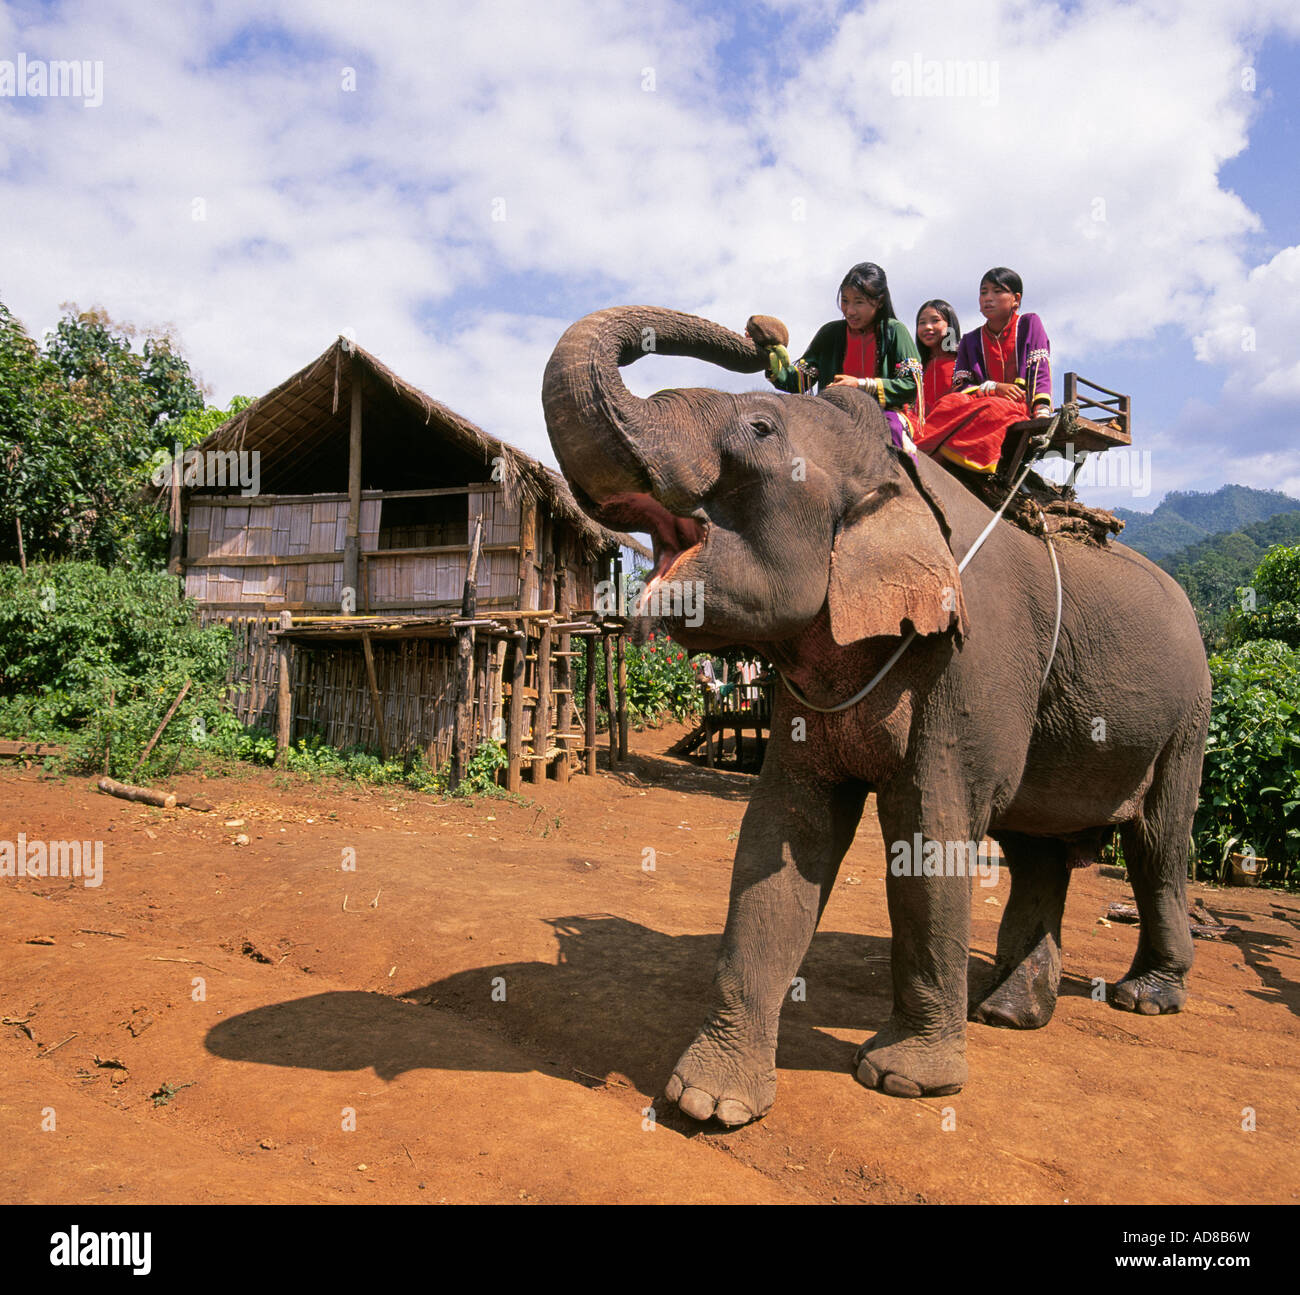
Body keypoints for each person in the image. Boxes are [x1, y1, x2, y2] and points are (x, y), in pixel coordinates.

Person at [749, 262, 922, 455]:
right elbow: (798, 380)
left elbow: (911, 386)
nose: (849, 311)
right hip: (830, 416)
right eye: (845, 301)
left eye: (859, 302)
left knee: (893, 435)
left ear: (879, 301)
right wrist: (769, 355)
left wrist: (861, 385)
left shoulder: (895, 331)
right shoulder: (830, 333)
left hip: (883, 416)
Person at [913, 267, 1051, 474]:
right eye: (984, 292)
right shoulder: (970, 339)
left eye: (997, 291)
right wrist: (994, 387)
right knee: (950, 401)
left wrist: (1041, 411)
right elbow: (960, 386)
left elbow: (1039, 367)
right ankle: (922, 448)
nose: (988, 298)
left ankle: (935, 461)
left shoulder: (1029, 323)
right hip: (979, 399)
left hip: (1017, 404)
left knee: (992, 407)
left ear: (1015, 298)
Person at [908, 299, 961, 429]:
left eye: (935, 320)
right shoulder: (917, 368)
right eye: (922, 323)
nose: (928, 327)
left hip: (954, 426)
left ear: (950, 324)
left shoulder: (962, 360)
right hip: (920, 430)